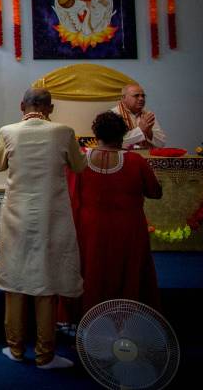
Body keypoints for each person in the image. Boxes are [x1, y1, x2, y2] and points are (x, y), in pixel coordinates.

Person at [0, 88, 87, 370]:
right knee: (46, 280)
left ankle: (15, 348)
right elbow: (79, 166)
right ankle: (45, 354)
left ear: (22, 106)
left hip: (16, 215)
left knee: (14, 279)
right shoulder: (63, 131)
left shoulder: (8, 131)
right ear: (50, 109)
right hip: (51, 215)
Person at [74, 111, 162, 314]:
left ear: (97, 134)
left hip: (91, 227)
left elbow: (73, 193)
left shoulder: (82, 160)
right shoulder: (136, 161)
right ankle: (129, 321)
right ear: (123, 134)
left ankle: (88, 320)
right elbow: (155, 193)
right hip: (128, 228)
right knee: (127, 271)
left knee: (93, 271)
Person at [111, 83, 167, 149]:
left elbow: (162, 143)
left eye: (143, 96)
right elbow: (113, 143)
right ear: (123, 98)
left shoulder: (148, 115)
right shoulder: (112, 114)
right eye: (136, 95)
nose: (141, 99)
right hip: (122, 157)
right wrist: (141, 130)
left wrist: (149, 133)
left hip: (146, 157)